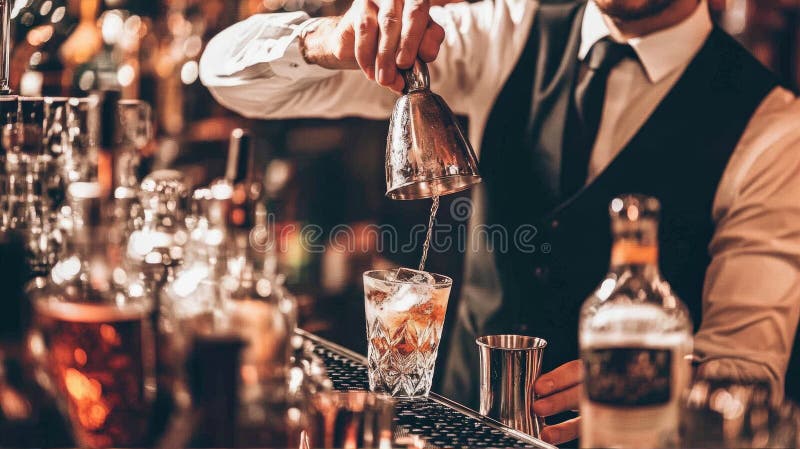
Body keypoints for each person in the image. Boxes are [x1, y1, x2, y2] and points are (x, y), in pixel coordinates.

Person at [200, 0, 800, 444]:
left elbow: (749, 375)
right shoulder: (508, 32)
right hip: (449, 429)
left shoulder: (773, 126)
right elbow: (228, 79)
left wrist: (662, 389)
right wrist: (326, 38)